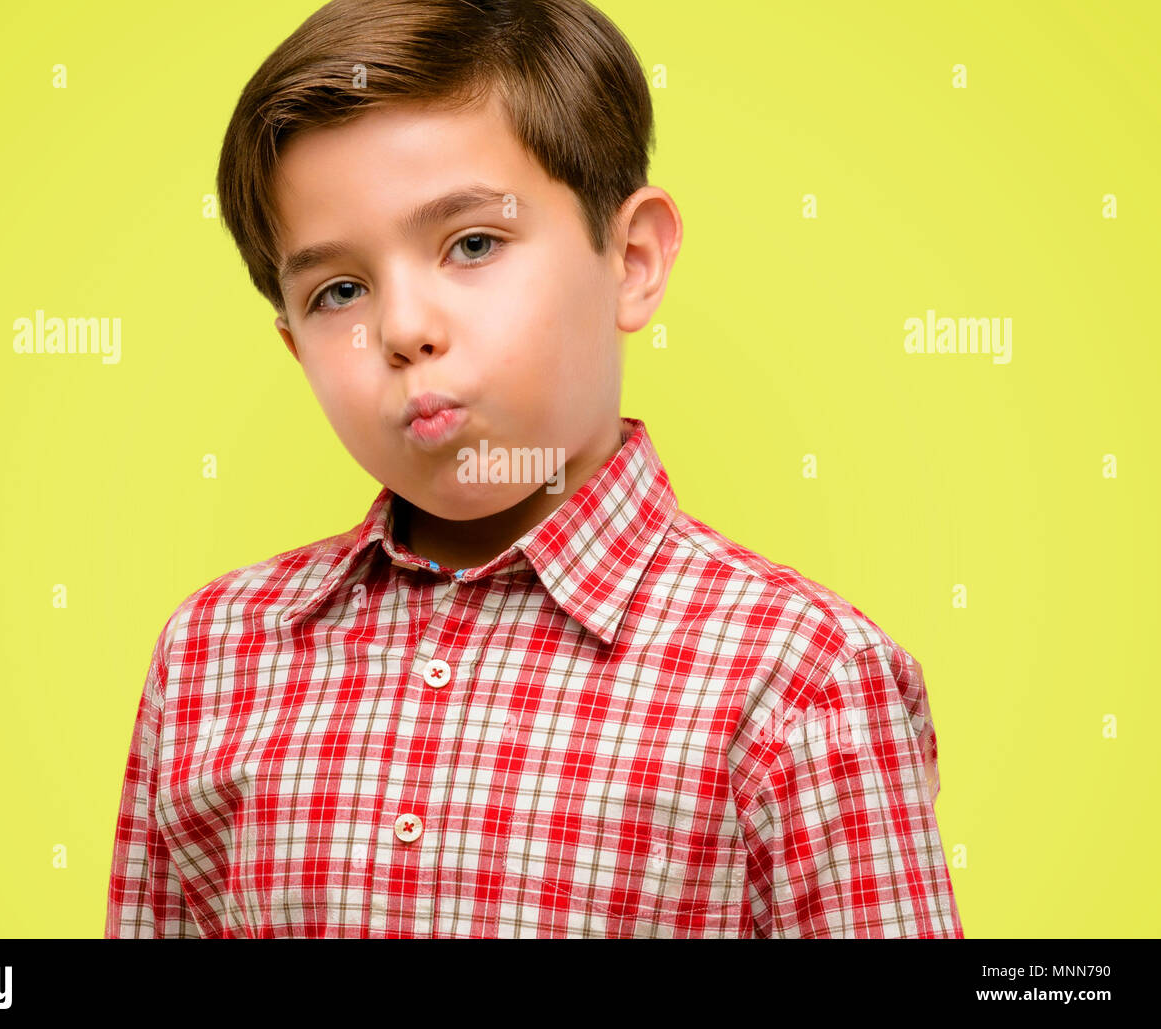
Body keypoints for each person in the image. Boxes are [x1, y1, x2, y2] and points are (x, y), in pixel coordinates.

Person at [104, 0, 963, 939]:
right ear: (295, 346)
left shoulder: (802, 683)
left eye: (472, 243)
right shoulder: (211, 659)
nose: (402, 330)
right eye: (338, 291)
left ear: (631, 259)